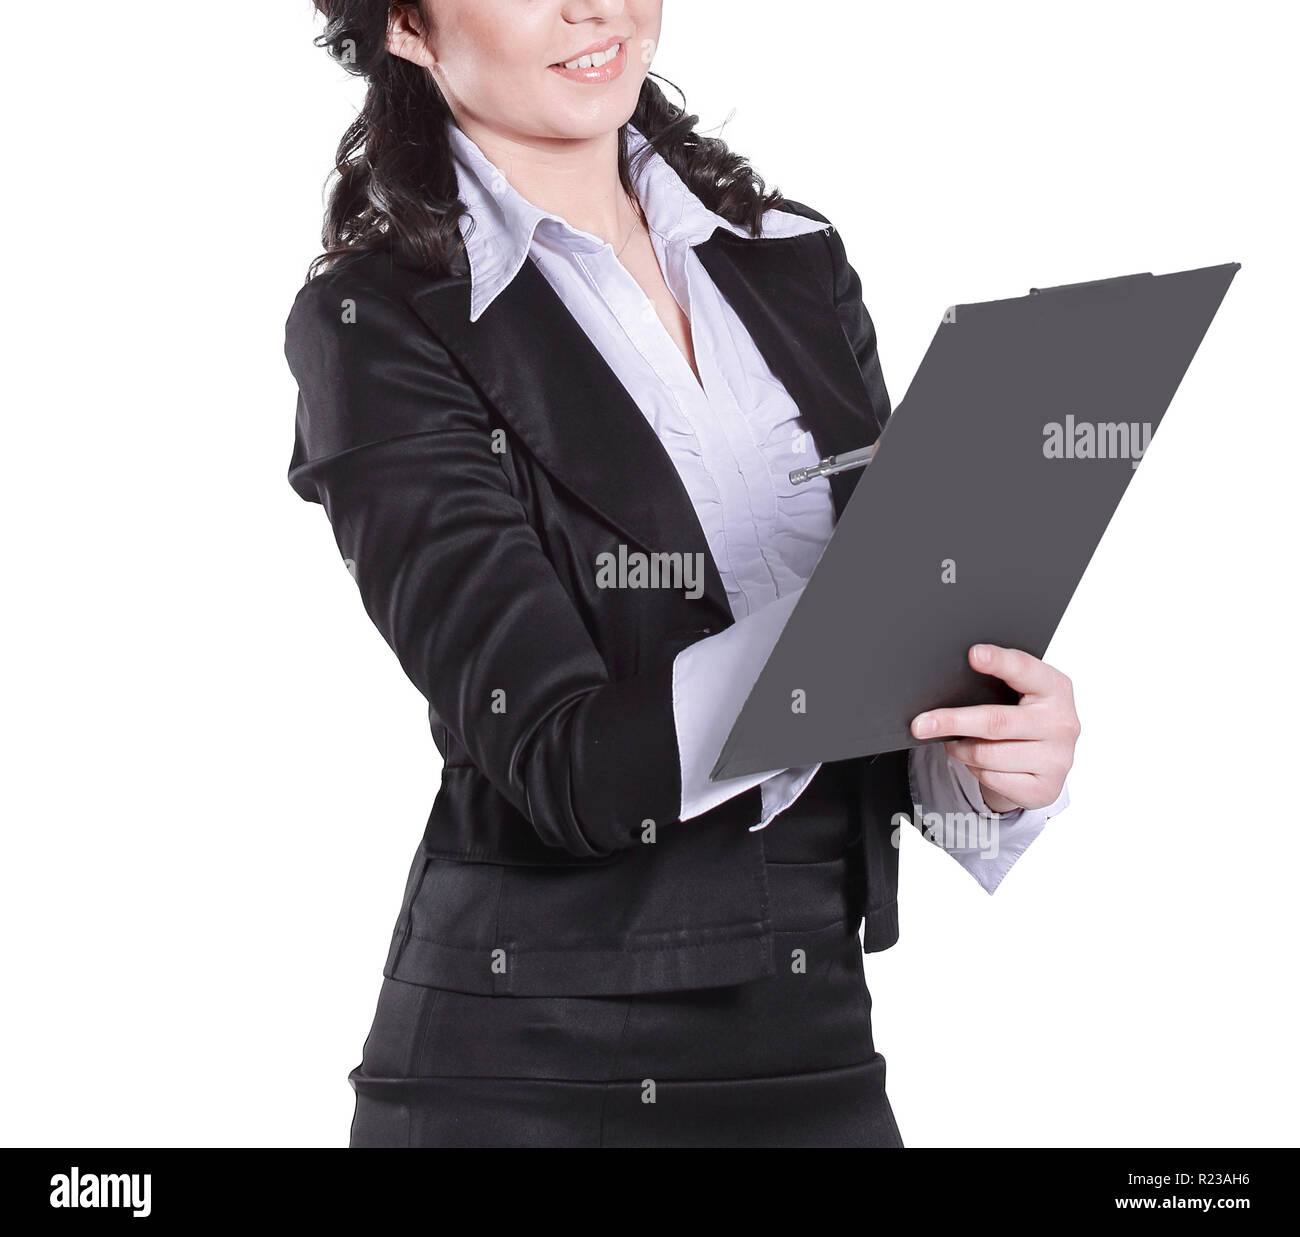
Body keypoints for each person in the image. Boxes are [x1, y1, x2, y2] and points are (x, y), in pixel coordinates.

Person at [283, 0, 1079, 1148]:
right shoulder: (377, 325)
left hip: (817, 1041)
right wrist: (861, 620)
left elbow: (892, 685)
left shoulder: (789, 260)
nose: (592, 7)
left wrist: (985, 767)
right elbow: (557, 760)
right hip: (536, 1070)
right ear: (405, 24)